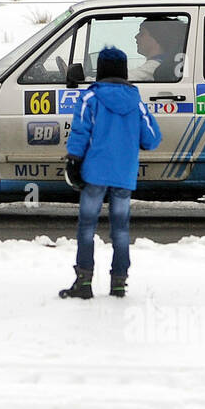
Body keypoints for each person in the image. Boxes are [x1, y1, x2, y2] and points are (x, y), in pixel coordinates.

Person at [59, 47, 162, 300]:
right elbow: (152, 139)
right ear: (124, 70)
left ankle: (84, 282)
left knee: (86, 227)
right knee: (121, 230)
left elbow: (80, 133)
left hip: (94, 173)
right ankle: (119, 283)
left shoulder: (90, 98)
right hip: (123, 174)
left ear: (101, 70)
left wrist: (73, 161)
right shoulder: (135, 102)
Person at [128, 17, 185, 82]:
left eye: (142, 34)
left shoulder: (156, 66)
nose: (136, 36)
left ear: (156, 38)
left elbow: (123, 78)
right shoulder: (167, 62)